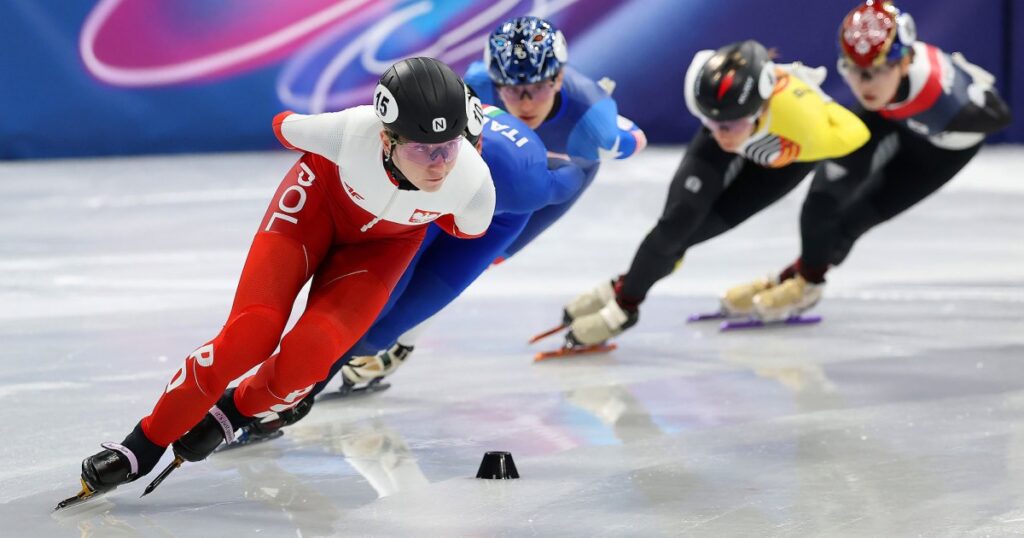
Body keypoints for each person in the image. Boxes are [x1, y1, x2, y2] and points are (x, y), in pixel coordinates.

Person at [61, 57, 495, 504]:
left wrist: (231, 415)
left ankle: (231, 412)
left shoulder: (473, 184)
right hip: (314, 209)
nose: (438, 164)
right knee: (249, 335)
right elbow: (284, 126)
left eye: (448, 146)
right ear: (386, 138)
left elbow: (470, 229)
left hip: (379, 251)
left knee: (308, 362)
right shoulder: (351, 130)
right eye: (421, 148)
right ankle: (142, 444)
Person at [328, 15, 647, 388]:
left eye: (538, 88)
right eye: (511, 89)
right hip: (492, 169)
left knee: (475, 262)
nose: (525, 101)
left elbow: (632, 137)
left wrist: (613, 141)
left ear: (559, 78)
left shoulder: (594, 117)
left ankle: (401, 344)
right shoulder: (476, 83)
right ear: (495, 82)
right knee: (419, 240)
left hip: (551, 187)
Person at [563, 39, 871, 347]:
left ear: (757, 109)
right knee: (675, 226)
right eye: (711, 122)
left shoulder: (807, 127)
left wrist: (821, 102)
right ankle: (624, 304)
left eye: (730, 125)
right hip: (759, 123)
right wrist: (723, 123)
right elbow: (720, 99)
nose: (721, 133)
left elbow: (858, 133)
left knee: (691, 235)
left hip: (782, 148)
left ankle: (621, 294)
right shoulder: (711, 96)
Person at [723, 0, 1011, 321]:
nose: (864, 85)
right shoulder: (878, 89)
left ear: (904, 63)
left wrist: (969, 96)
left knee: (853, 221)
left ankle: (804, 282)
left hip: (939, 150)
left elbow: (1000, 114)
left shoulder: (951, 104)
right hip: (887, 115)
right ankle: (800, 277)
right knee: (820, 202)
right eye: (853, 70)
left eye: (875, 72)